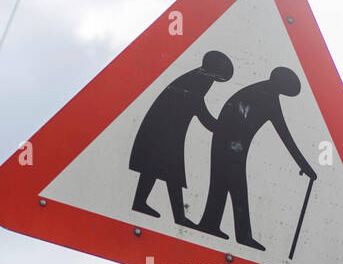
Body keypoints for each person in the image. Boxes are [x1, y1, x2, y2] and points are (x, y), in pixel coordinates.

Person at [195, 66, 316, 250]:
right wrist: (306, 167)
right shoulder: (268, 98)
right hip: (230, 146)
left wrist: (306, 167)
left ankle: (210, 224)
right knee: (236, 188)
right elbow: (285, 136)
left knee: (223, 185)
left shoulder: (260, 91)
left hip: (228, 144)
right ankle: (241, 235)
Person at [129, 50, 234, 224]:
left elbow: (195, 105)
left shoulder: (197, 75)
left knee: (154, 167)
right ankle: (178, 217)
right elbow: (198, 107)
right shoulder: (202, 79)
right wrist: (221, 128)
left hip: (166, 126)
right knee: (171, 170)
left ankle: (142, 203)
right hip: (166, 128)